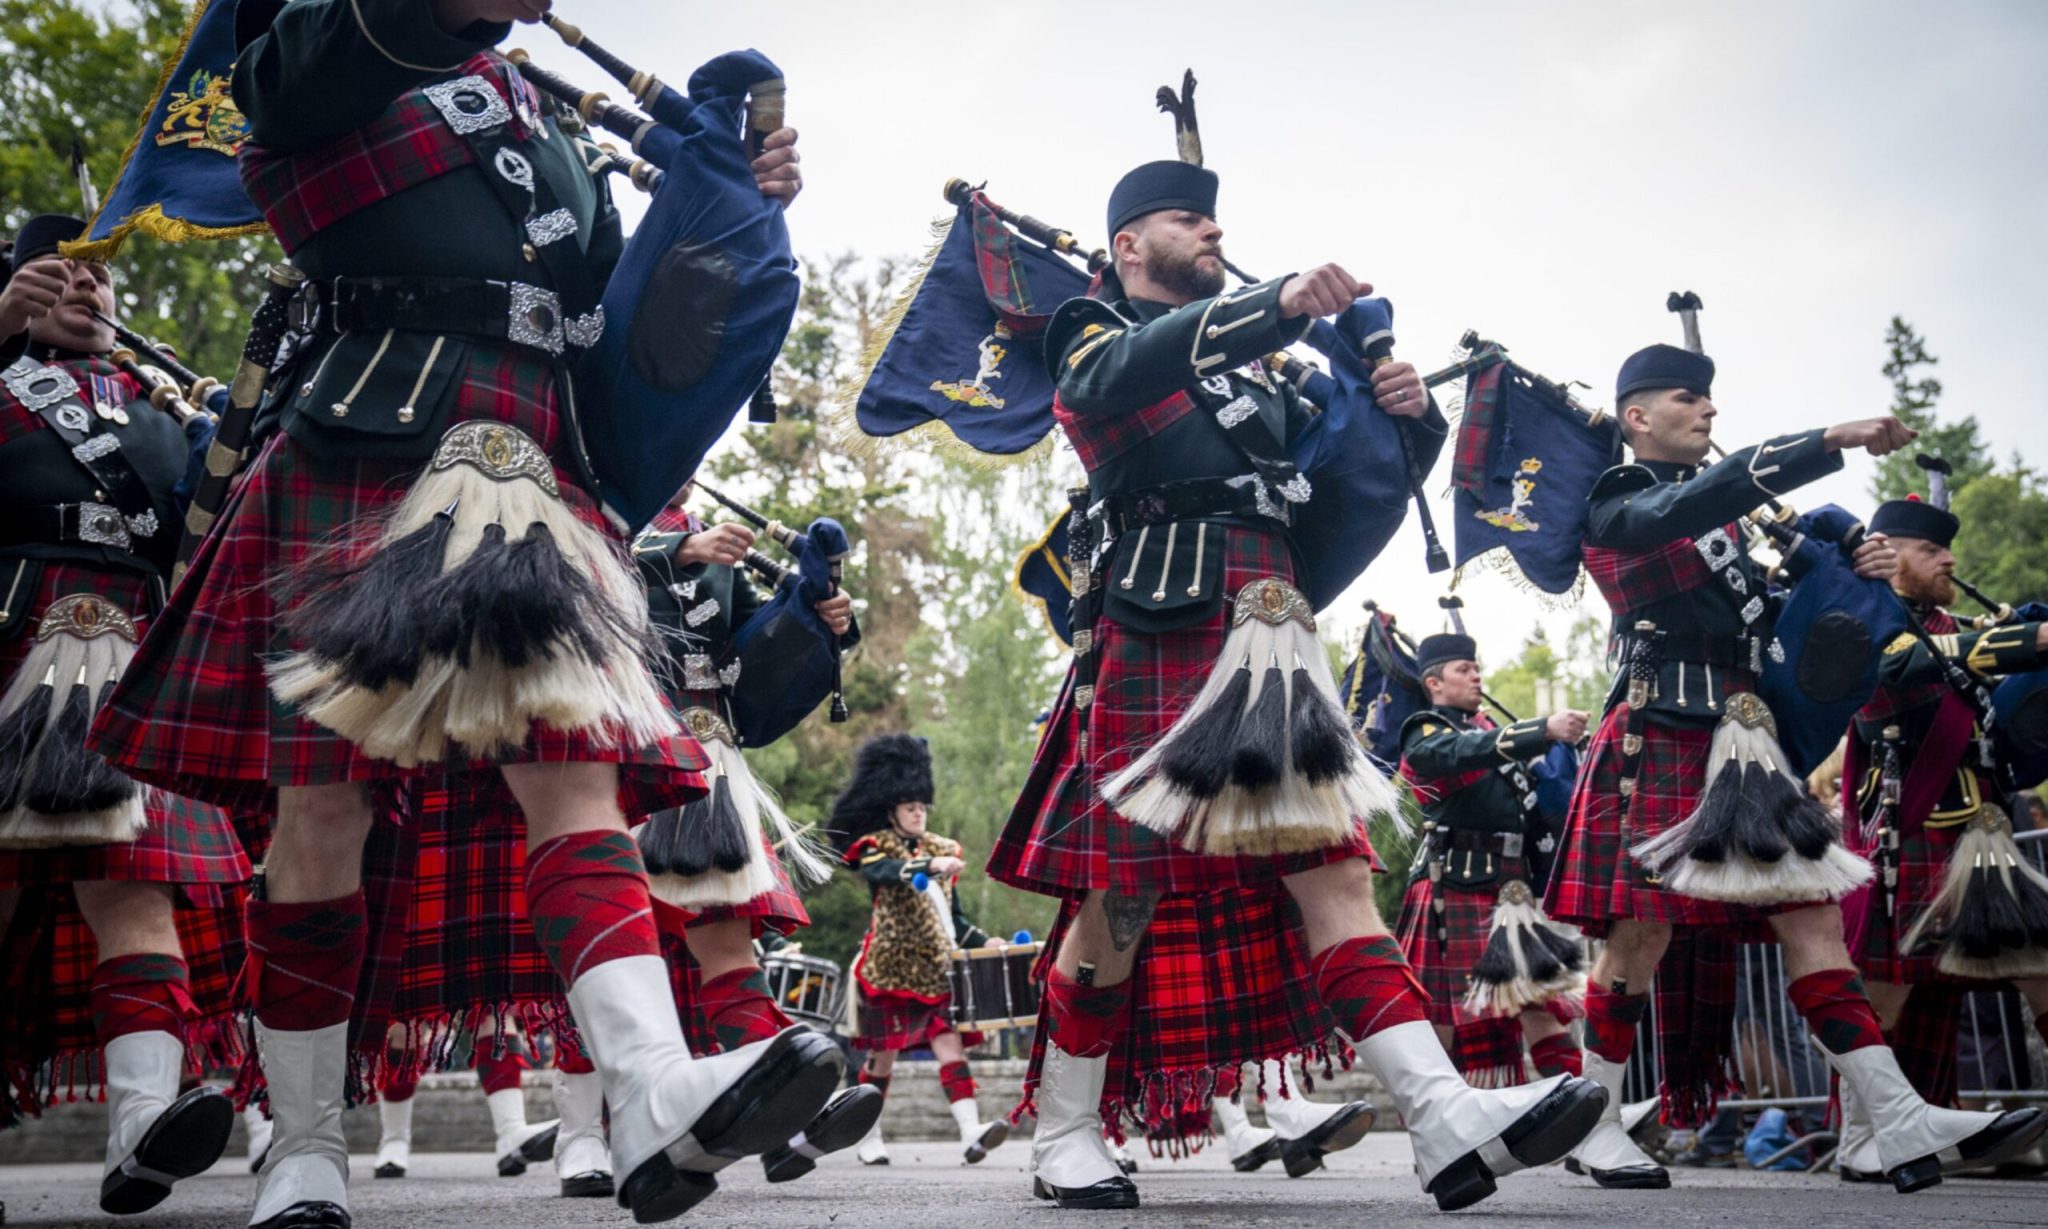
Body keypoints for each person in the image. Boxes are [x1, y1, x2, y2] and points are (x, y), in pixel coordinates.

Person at [86, 4, 840, 1225]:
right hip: (365, 427)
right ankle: (305, 1143)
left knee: (576, 769)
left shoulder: (546, 118)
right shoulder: (320, 35)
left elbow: (612, 308)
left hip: (534, 448)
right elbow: (289, 95)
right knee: (321, 804)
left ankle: (651, 1087)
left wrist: (728, 209)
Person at [989, 159, 1605, 1213]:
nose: (1213, 230)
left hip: (1271, 632)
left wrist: (1397, 408)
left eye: (1216, 218)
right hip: (1160, 621)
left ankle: (1442, 1115)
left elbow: (1344, 479)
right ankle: (1065, 1133)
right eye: (1187, 217)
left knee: (1335, 873)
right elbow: (1106, 381)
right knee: (1121, 898)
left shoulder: (1264, 376)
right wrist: (1272, 305)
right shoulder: (1092, 328)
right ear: (1129, 244)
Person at [1543, 341, 2048, 1193]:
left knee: (1814, 921)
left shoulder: (1726, 525)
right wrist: (1829, 440)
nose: (1707, 409)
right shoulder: (1620, 502)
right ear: (1637, 416)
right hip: (1661, 730)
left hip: (1747, 742)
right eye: (1686, 398)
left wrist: (1851, 571)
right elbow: (1702, 495)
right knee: (1640, 935)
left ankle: (1893, 1114)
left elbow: (1785, 624)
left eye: (1708, 398)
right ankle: (1595, 1122)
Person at [0, 213, 254, 1216]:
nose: (83, 287)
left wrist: (237, 434)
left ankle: (142, 1120)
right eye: (56, 272)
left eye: (98, 277)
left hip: (135, 650)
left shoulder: (159, 406)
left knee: (137, 887)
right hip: (14, 628)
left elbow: (206, 534)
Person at [1834, 493, 2048, 1181]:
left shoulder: (1963, 628)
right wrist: (2028, 642)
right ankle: (1861, 1139)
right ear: (1891, 554)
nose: (1950, 559)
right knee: (1889, 990)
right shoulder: (1861, 620)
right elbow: (1900, 665)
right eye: (1932, 550)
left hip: (1987, 829)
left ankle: (1932, 1128)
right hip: (1914, 824)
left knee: (2040, 968)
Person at [1392, 632, 1589, 1088]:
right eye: (1463, 669)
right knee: (1441, 1018)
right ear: (1434, 683)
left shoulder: (1486, 732)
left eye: (1477, 667)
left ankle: (1591, 1108)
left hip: (1507, 891)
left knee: (1536, 1001)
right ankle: (1436, 1117)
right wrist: (1540, 731)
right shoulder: (1425, 730)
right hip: (1451, 885)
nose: (1476, 676)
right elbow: (1448, 754)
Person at [830, 733, 1011, 1167]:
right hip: (888, 970)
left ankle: (970, 1132)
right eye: (909, 806)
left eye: (922, 806)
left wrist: (986, 941)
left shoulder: (943, 849)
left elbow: (956, 919)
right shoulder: (876, 847)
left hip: (936, 972)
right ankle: (869, 1136)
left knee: (951, 1048)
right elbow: (885, 873)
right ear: (892, 810)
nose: (918, 812)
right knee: (882, 1059)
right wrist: (928, 866)